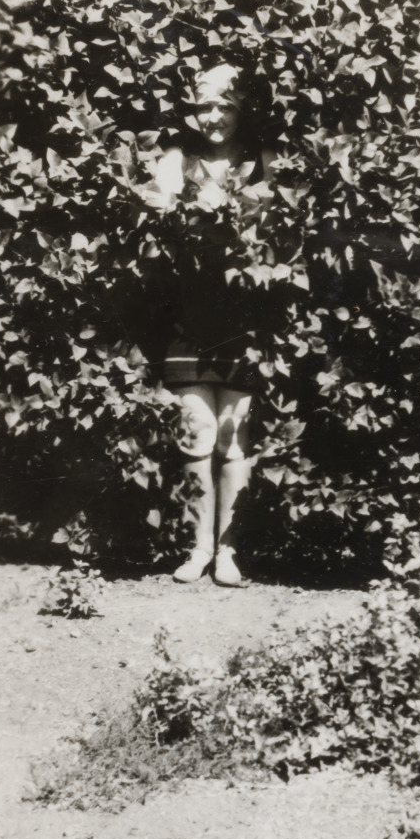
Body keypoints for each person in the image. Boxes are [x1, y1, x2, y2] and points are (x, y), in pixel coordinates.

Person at [145, 62, 274, 587]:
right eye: (204, 105)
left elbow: (273, 222)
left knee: (232, 437)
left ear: (242, 108)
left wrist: (238, 207)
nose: (214, 115)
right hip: (189, 312)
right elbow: (161, 203)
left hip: (244, 315)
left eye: (225, 105)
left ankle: (228, 552)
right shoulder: (180, 156)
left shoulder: (260, 159)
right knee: (196, 434)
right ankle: (198, 549)